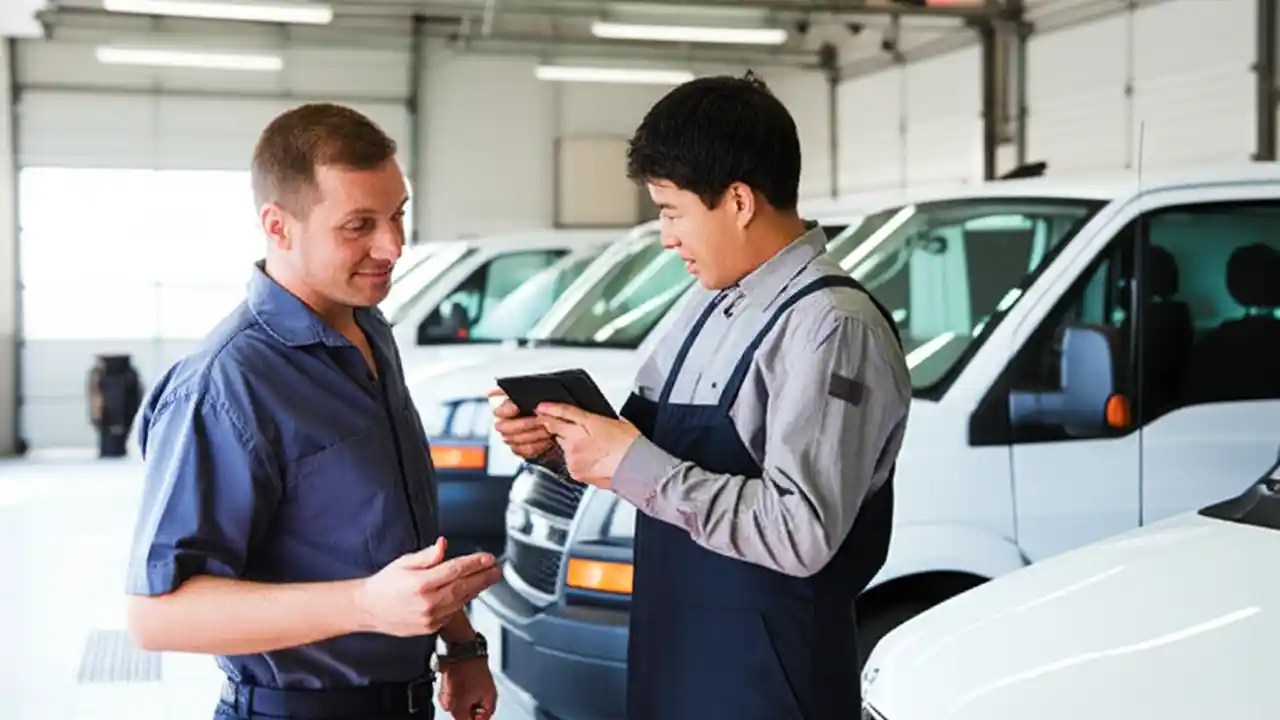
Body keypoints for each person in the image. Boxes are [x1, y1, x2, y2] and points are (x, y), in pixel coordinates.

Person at [492, 73, 911, 719]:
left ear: (738, 201)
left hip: (769, 682)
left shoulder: (831, 326)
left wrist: (630, 461)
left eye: (670, 211)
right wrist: (562, 447)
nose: (664, 237)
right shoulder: (705, 305)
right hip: (676, 660)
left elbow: (800, 533)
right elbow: (647, 458)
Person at [125, 103, 502, 720]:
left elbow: (393, 543)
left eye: (398, 215)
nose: (394, 246)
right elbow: (157, 614)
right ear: (278, 226)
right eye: (359, 225)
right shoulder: (228, 382)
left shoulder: (369, 331)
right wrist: (364, 606)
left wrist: (461, 647)